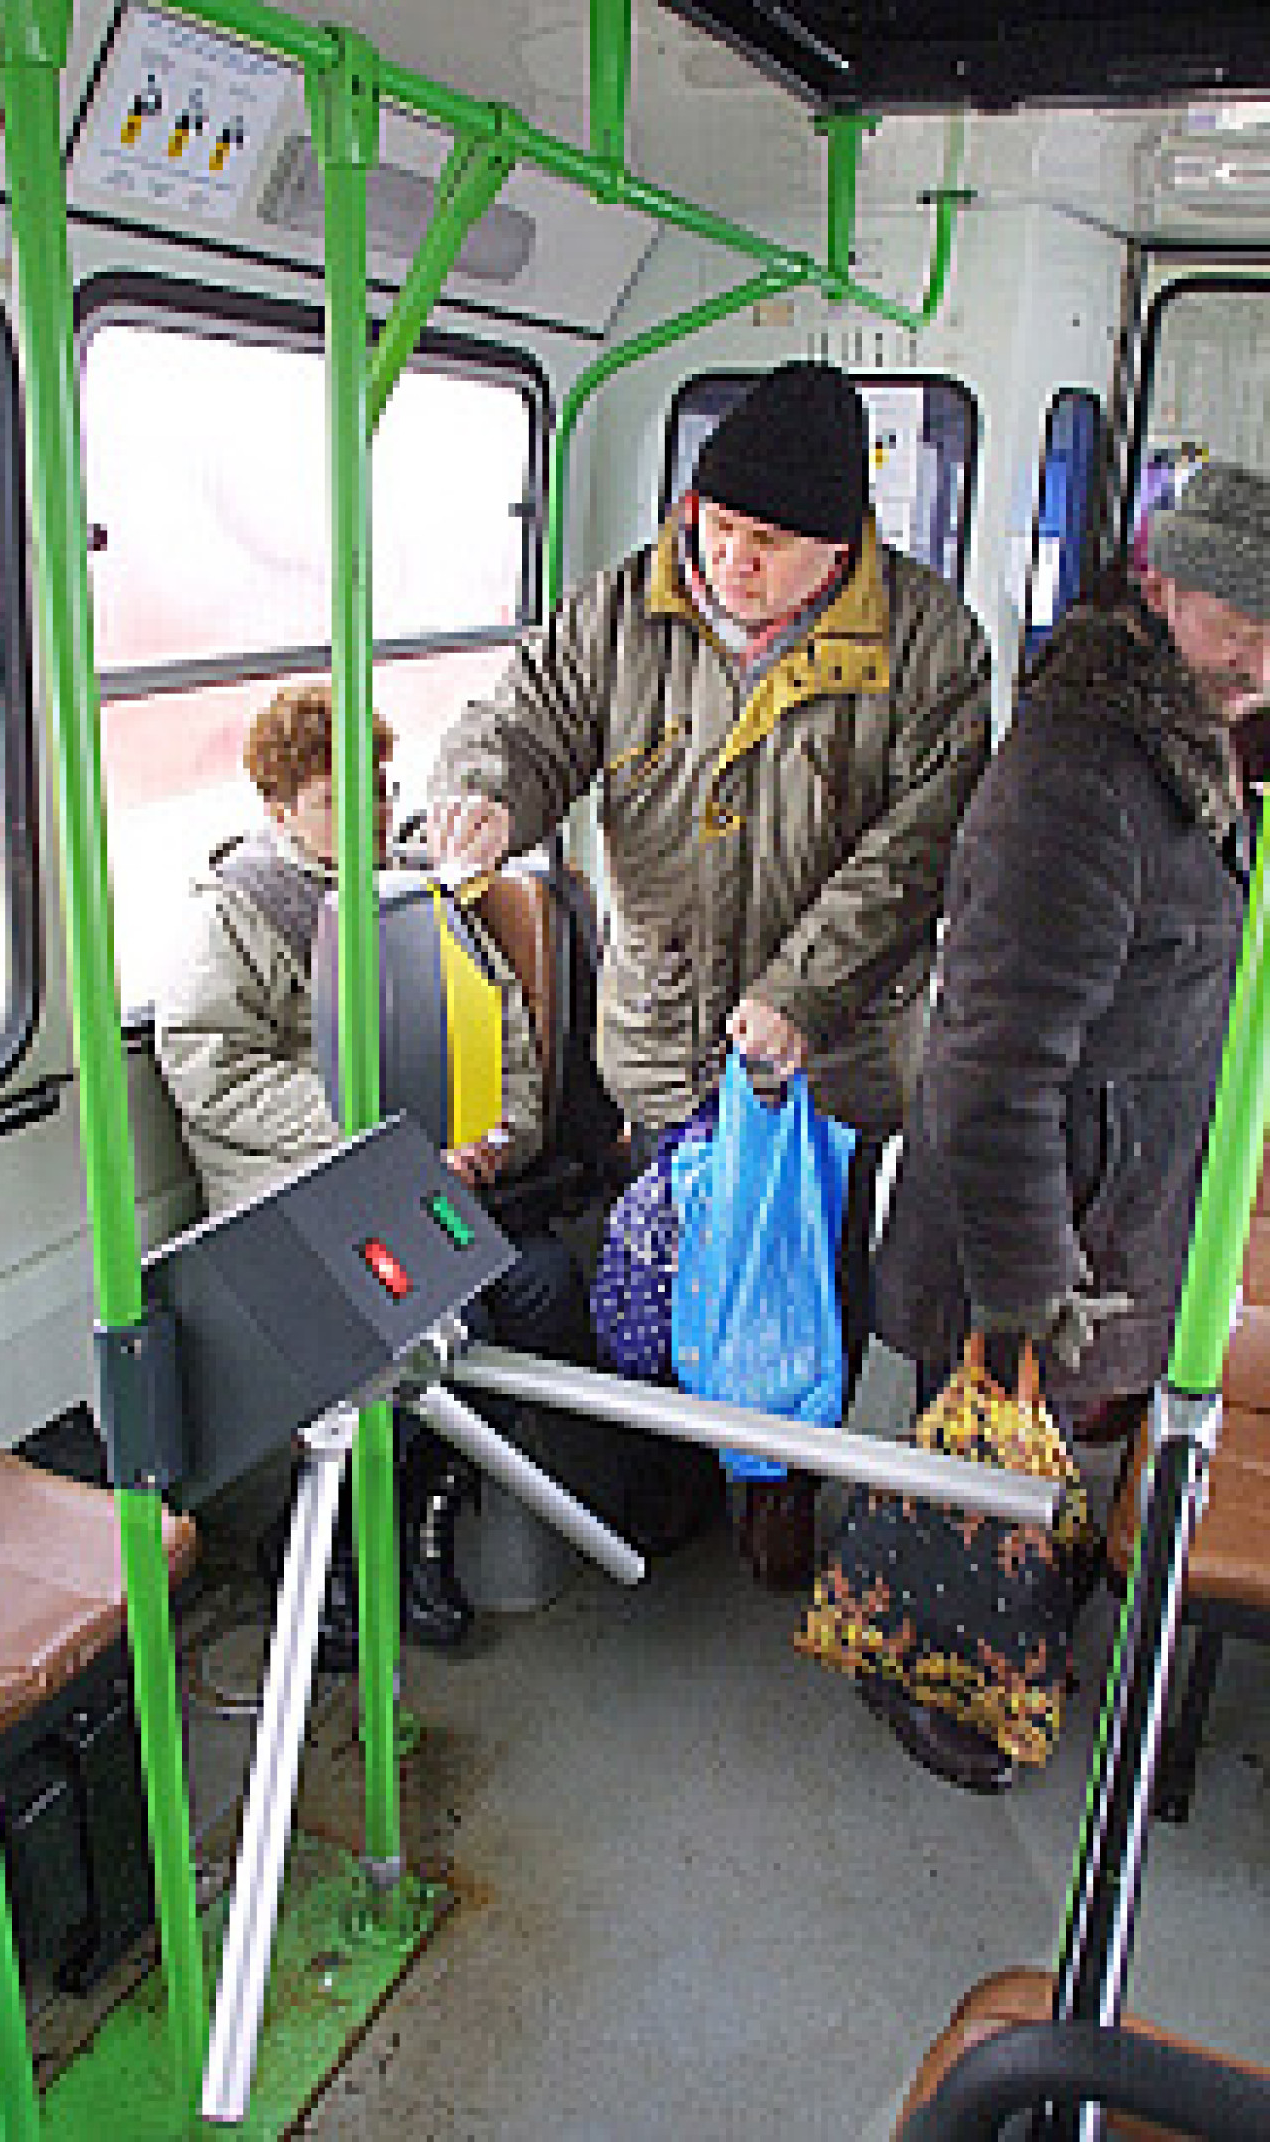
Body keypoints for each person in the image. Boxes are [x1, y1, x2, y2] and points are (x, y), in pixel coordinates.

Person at [427, 360, 992, 1580]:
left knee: (801, 1276)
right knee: (662, 1267)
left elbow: (917, 849)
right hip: (664, 1026)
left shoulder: (929, 641)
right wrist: (483, 796)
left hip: (831, 1056)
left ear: (838, 546)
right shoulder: (619, 611)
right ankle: (671, 1475)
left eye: (767, 542)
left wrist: (801, 993)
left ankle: (781, 1478)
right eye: (716, 527)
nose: (730, 560)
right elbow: (525, 724)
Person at [843, 458, 1270, 1789]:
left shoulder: (1192, 735)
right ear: (1157, 590)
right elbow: (995, 1060)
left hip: (1109, 1191)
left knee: (1037, 1469)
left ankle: (990, 1632)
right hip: (1032, 1224)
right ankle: (918, 1669)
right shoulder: (1080, 777)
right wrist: (1031, 1285)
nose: (1262, 656)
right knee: (981, 1466)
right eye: (1235, 625)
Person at [155, 681, 592, 1647]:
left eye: (380, 793)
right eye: (331, 801)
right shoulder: (238, 915)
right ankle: (348, 1546)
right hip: (304, 1193)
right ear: (276, 811)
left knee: (542, 1289)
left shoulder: (416, 900)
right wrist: (373, 1131)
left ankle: (434, 1511)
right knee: (440, 1317)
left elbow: (501, 1041)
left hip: (422, 1179)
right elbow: (213, 1070)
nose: (368, 817)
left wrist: (494, 1138)